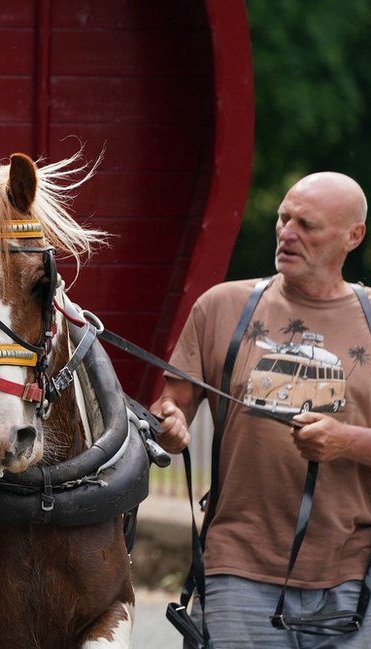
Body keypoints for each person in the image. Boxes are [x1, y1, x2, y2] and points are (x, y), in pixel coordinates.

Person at [151, 172, 371, 647]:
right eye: (283, 218)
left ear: (353, 236)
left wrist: (344, 441)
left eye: (307, 225)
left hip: (355, 578)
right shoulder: (221, 307)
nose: (287, 233)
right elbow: (173, 407)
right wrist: (168, 424)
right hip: (238, 569)